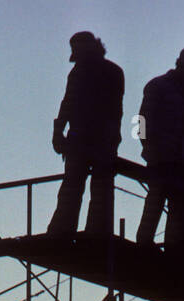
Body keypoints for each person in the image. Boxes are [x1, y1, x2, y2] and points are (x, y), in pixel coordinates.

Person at [47, 32, 124, 237]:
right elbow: (116, 111)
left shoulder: (82, 72)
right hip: (96, 140)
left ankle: (64, 229)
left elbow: (68, 103)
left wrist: (58, 132)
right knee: (98, 188)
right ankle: (95, 230)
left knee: (76, 186)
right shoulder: (112, 72)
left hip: (86, 139)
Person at [135, 47, 184, 256]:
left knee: (177, 207)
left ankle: (172, 250)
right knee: (155, 200)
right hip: (161, 157)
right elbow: (143, 119)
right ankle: (144, 243)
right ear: (179, 63)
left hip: (183, 161)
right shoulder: (158, 86)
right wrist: (147, 147)